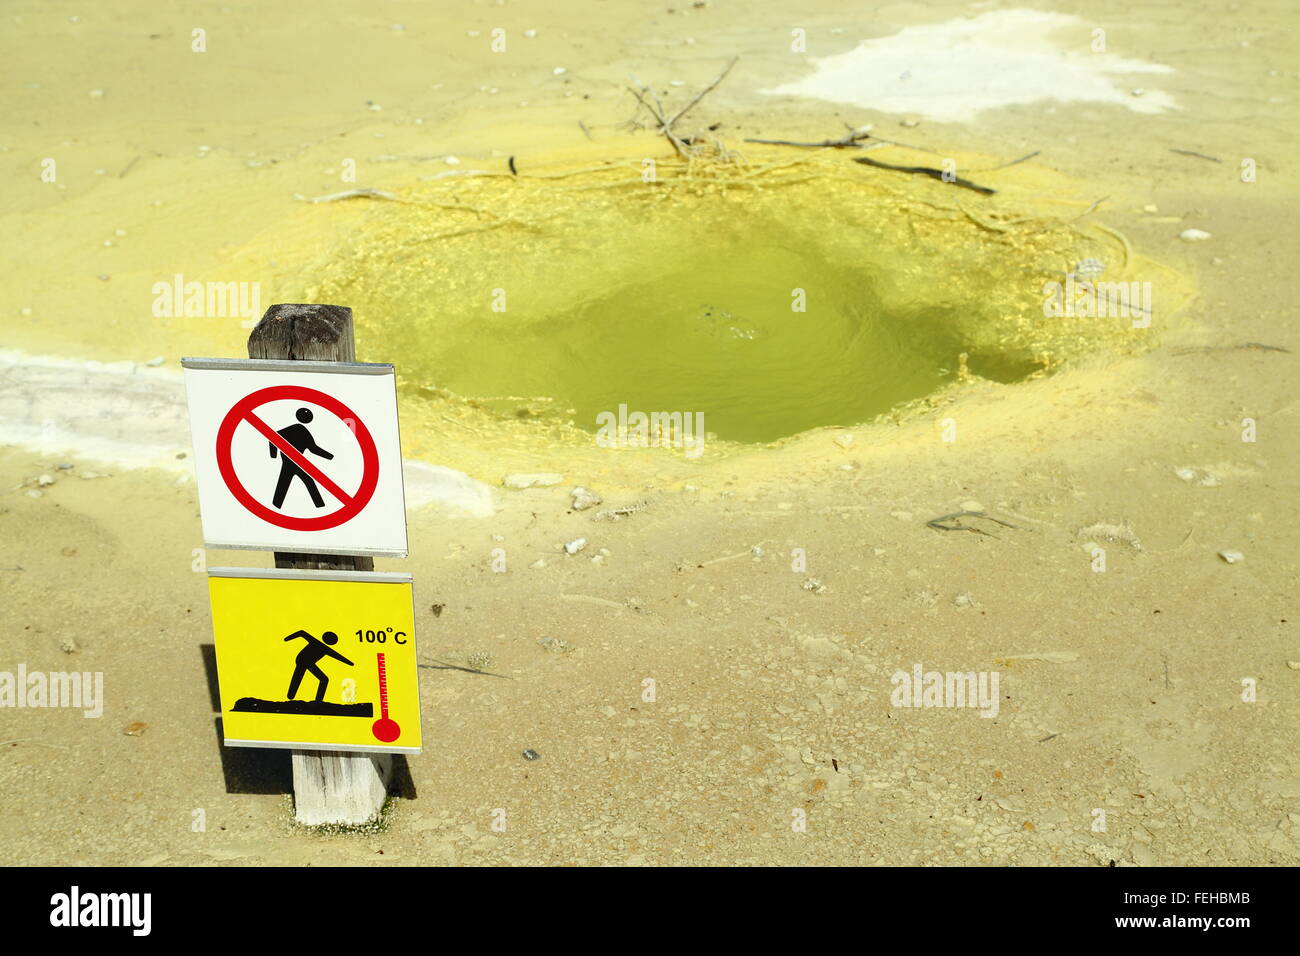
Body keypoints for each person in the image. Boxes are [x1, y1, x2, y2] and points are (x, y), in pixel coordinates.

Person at [270, 407, 333, 509]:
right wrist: (273, 456)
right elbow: (273, 437)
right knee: (307, 481)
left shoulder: (302, 431)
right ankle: (320, 506)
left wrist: (330, 457)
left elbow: (313, 449)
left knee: (286, 482)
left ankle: (276, 505)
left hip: (296, 462)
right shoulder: (297, 428)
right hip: (292, 461)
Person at [283, 630, 353, 702]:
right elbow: (302, 633)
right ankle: (292, 696)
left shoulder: (325, 648)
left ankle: (318, 700)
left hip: (307, 662)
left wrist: (350, 663)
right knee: (300, 677)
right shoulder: (317, 643)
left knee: (323, 679)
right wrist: (286, 639)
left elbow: (338, 656)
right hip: (302, 660)